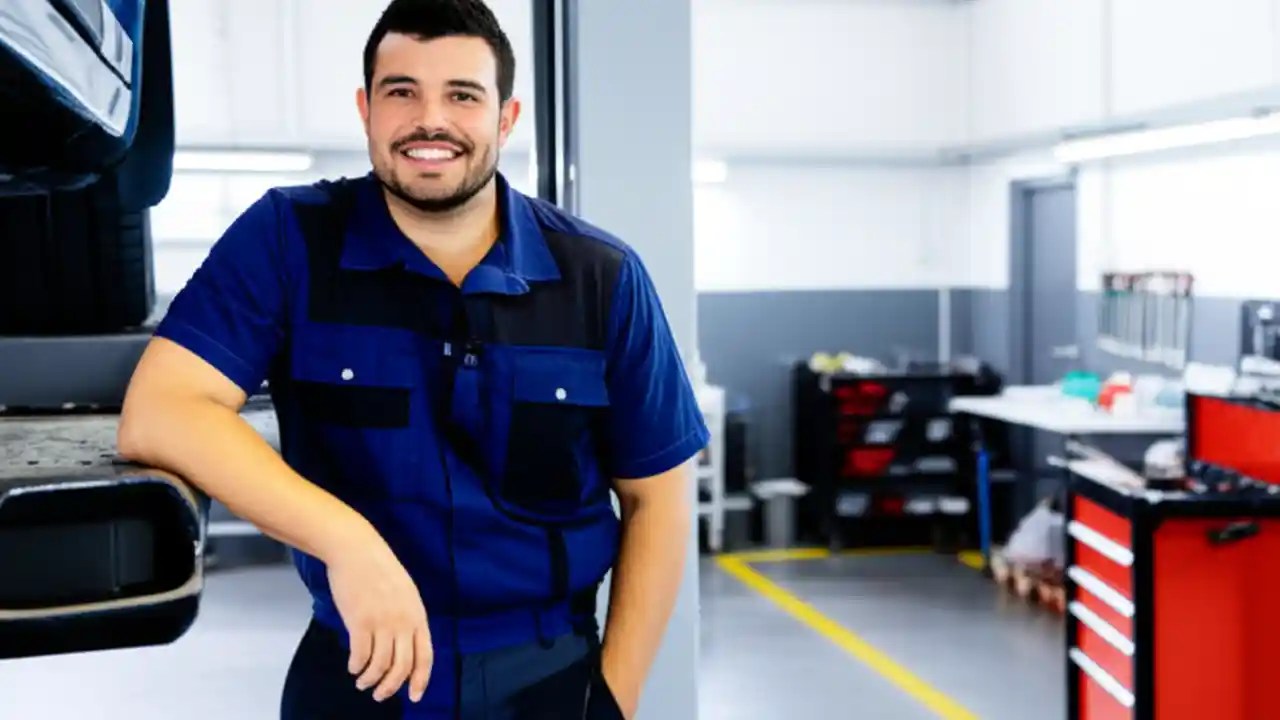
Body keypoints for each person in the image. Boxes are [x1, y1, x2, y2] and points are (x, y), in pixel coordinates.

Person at [116, 0, 709, 717]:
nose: (431, 121)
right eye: (402, 92)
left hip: (547, 673)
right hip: (358, 667)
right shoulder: (289, 240)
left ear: (506, 119)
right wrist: (347, 541)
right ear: (366, 110)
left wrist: (612, 700)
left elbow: (657, 497)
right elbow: (161, 412)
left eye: (463, 95)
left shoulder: (601, 277)